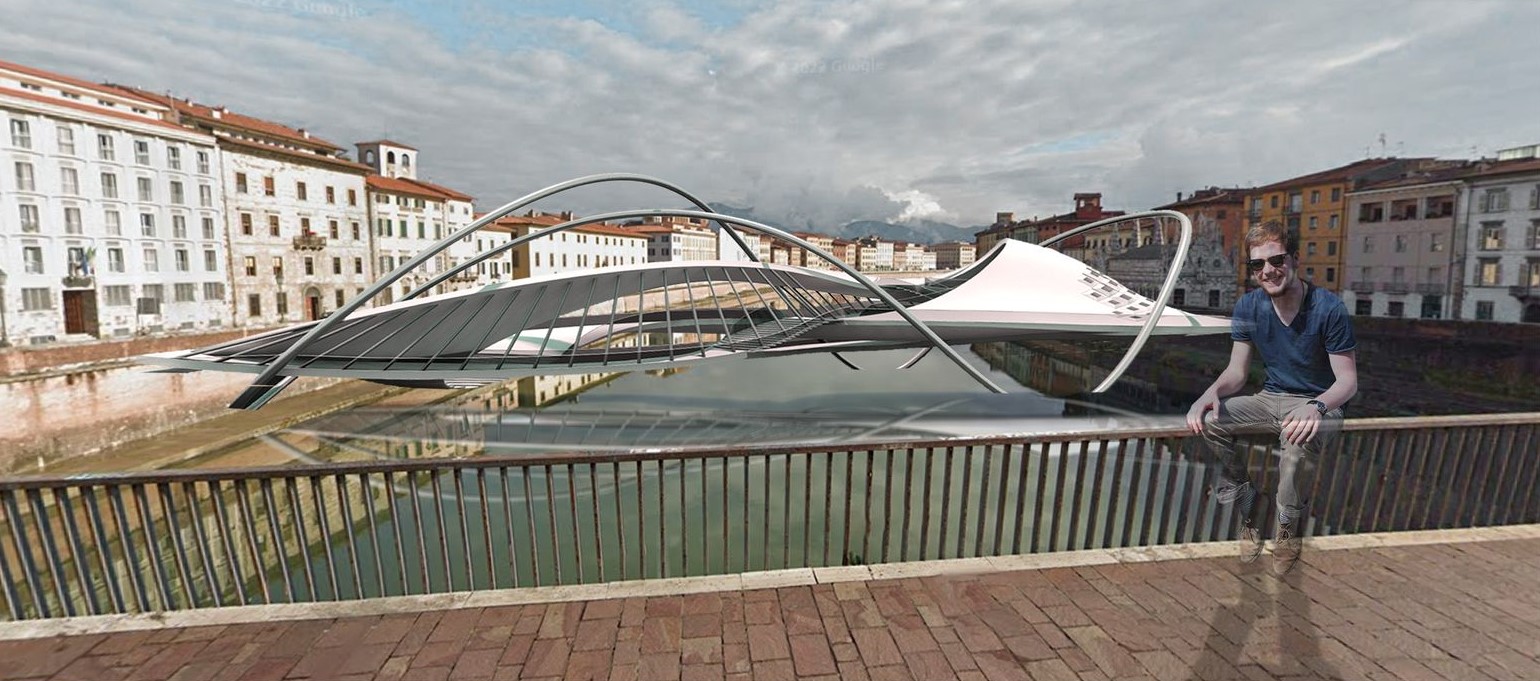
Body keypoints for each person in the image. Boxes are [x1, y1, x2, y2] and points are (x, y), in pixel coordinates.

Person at [1185, 221, 1358, 575]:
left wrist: (1317, 406)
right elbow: (1237, 373)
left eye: (1276, 260)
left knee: (1296, 443)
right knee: (1210, 420)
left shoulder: (1328, 308)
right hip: (1270, 398)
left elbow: (1348, 382)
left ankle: (1287, 529)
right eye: (1257, 265)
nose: (1268, 271)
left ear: (1294, 259)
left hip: (1320, 403)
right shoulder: (1249, 307)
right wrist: (1209, 394)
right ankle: (1247, 498)